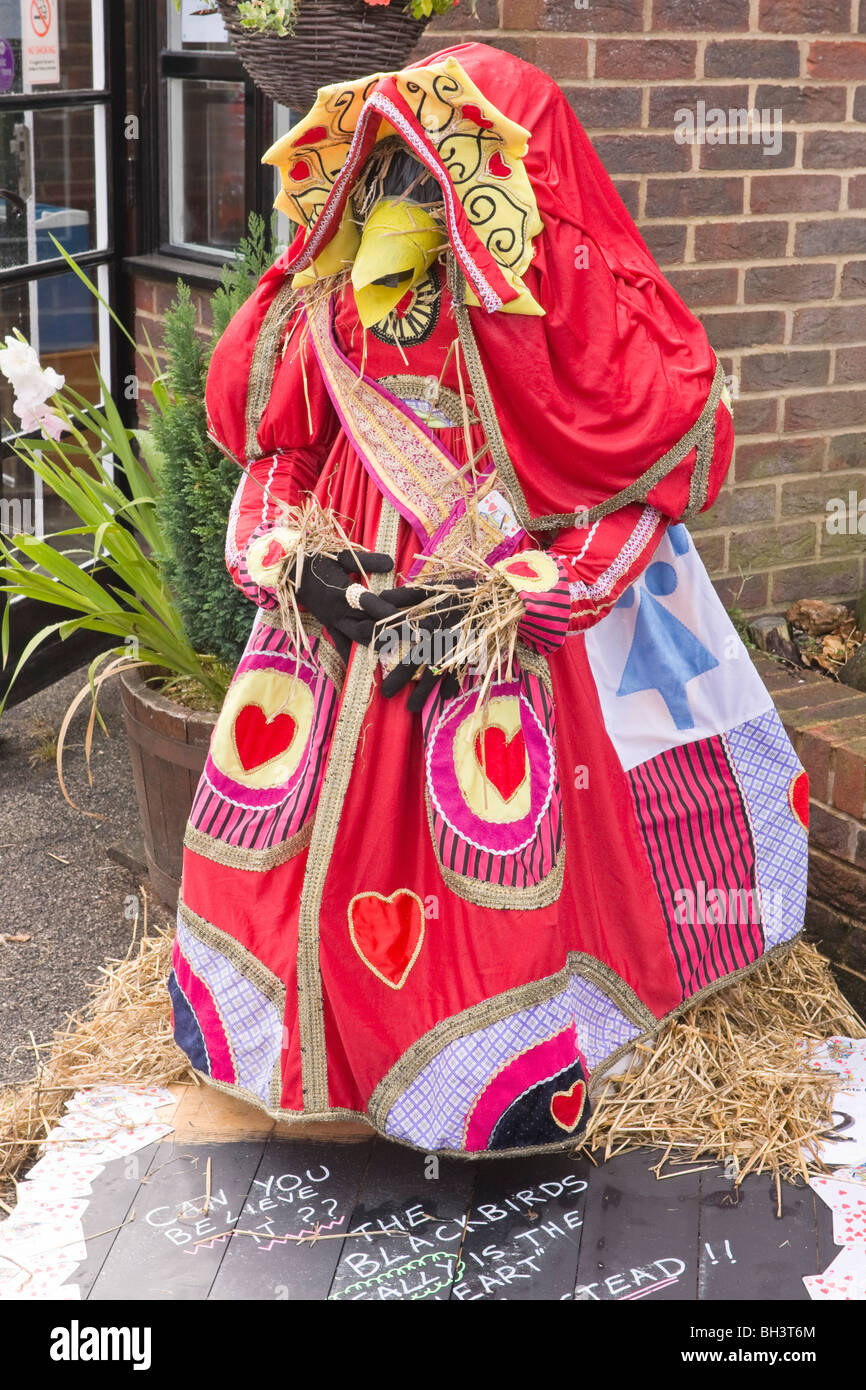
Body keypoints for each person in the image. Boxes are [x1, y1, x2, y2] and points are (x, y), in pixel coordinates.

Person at [169, 42, 808, 1156]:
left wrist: (520, 606)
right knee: (301, 837)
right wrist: (291, 564)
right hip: (336, 624)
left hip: (492, 638)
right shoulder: (330, 306)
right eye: (390, 169)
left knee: (499, 851)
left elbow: (643, 492)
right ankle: (307, 1052)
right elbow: (278, 451)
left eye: (436, 169)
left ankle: (472, 1078)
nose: (408, 196)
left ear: (514, 181)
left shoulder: (570, 325)